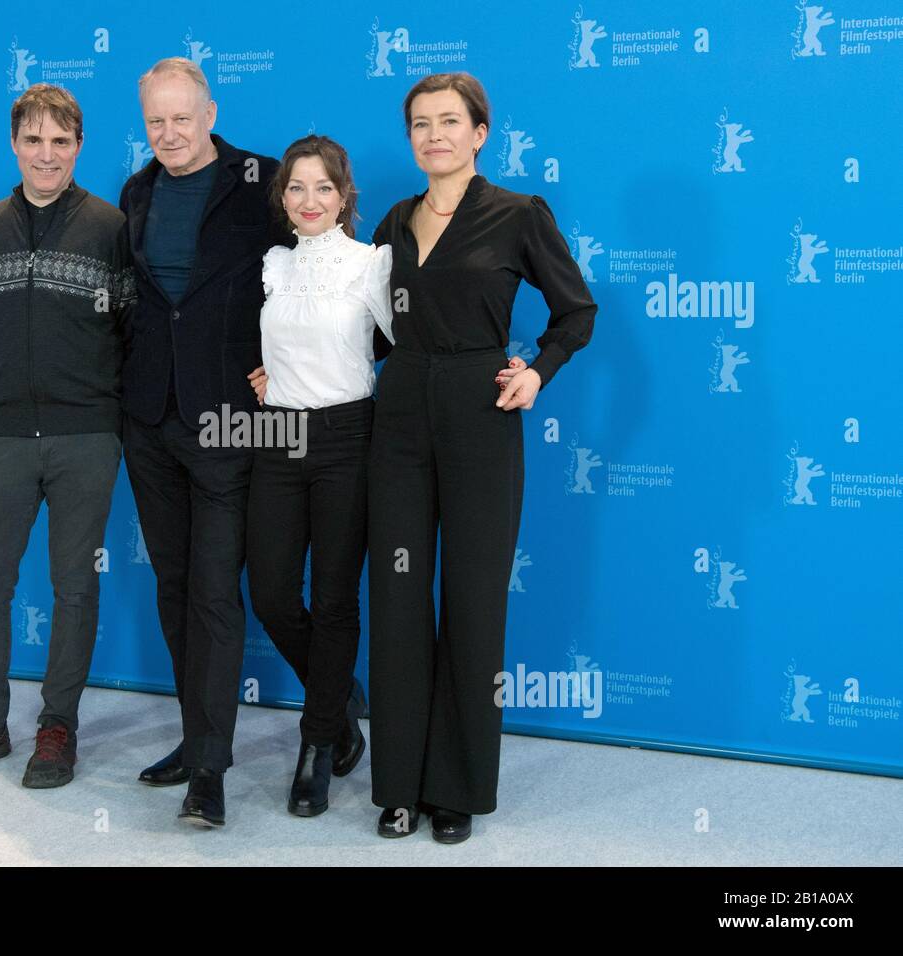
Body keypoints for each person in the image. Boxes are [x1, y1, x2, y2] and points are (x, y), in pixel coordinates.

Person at [367, 73, 596, 843]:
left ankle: (457, 789)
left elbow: (576, 310)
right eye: (420, 124)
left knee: (471, 601)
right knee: (397, 603)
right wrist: (289, 368)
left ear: (480, 133)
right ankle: (398, 785)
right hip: (396, 420)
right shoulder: (393, 223)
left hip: (479, 414)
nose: (434, 135)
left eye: (449, 122)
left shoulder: (517, 213)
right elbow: (364, 332)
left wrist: (537, 370)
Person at [0, 84, 133, 790]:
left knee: (75, 588)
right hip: (3, 435)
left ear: (79, 147)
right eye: (34, 140)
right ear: (14, 144)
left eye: (61, 141)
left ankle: (58, 728)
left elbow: (128, 329)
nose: (47, 154)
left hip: (86, 438)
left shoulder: (110, 227)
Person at [119, 57, 290, 827]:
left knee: (217, 593)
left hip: (231, 419)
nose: (169, 133)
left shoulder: (265, 179)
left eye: (182, 118)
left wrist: (288, 363)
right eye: (156, 120)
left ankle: (211, 773)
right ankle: (194, 739)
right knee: (175, 585)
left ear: (211, 113)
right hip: (149, 417)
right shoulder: (136, 190)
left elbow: (317, 266)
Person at [243, 135, 392, 816]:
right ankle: (338, 703)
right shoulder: (274, 265)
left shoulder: (371, 265)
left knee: (334, 600)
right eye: (296, 188)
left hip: (345, 438)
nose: (309, 201)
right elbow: (277, 344)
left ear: (344, 196)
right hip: (277, 435)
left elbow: (396, 346)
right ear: (283, 197)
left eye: (323, 188)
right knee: (272, 592)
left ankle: (316, 746)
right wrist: (269, 377)